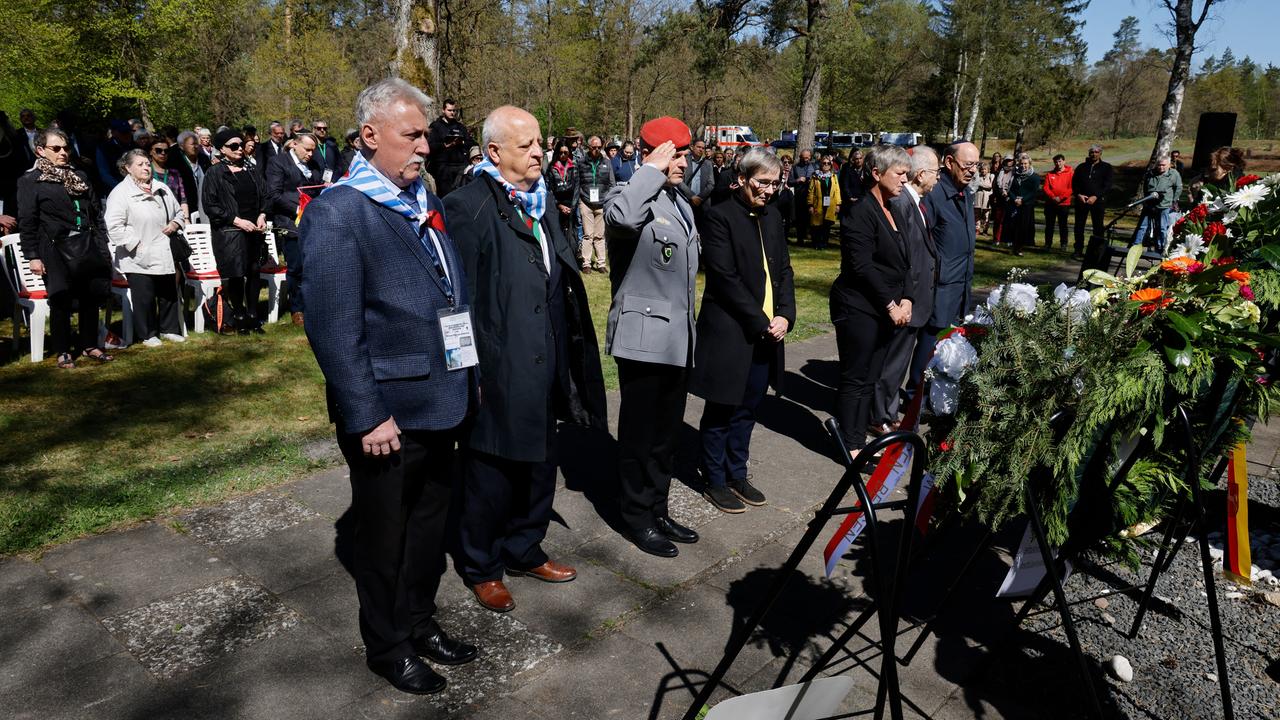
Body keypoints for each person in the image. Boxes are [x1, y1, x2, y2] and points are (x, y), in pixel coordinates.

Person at [300, 78, 479, 696]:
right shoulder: (339, 211)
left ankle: (420, 621)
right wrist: (366, 412)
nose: (426, 146)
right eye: (413, 135)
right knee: (384, 538)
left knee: (430, 529)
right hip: (390, 414)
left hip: (442, 400)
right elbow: (331, 326)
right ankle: (388, 644)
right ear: (370, 135)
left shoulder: (417, 198)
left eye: (427, 133)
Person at [444, 106, 607, 613]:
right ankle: (482, 564)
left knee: (540, 462)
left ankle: (524, 546)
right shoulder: (466, 206)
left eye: (541, 143)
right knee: (491, 471)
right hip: (498, 365)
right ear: (494, 152)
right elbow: (456, 299)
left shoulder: (539, 203)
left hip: (547, 357)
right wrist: (469, 374)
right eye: (526, 145)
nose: (540, 152)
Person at [604, 117, 701, 559]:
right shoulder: (626, 195)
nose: (684, 161)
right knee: (640, 435)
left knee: (665, 436)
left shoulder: (677, 201)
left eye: (684, 153)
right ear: (653, 152)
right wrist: (651, 169)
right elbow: (624, 219)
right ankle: (636, 516)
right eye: (675, 153)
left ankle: (658, 507)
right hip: (642, 338)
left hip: (677, 338)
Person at [690, 148, 795, 513]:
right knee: (722, 408)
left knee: (749, 408)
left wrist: (785, 315)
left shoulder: (773, 217)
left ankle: (737, 472)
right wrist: (761, 321)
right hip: (732, 331)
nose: (768, 190)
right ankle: (714, 477)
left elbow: (783, 271)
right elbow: (724, 278)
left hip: (768, 332)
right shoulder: (719, 216)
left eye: (774, 183)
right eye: (762, 182)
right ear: (742, 178)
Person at [829, 144, 912, 454]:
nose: (906, 179)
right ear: (877, 174)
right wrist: (892, 305)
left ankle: (858, 436)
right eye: (900, 173)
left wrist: (908, 299)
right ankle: (849, 445)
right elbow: (861, 266)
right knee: (856, 376)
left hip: (885, 309)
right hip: (858, 306)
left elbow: (904, 262)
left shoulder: (893, 209)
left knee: (872, 377)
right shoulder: (859, 210)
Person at [17, 129, 114, 368]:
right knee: (61, 297)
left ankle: (90, 344)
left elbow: (95, 214)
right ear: (40, 150)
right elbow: (27, 220)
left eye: (66, 148)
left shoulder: (79, 175)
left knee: (90, 295)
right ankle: (62, 349)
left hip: (87, 243)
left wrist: (102, 244)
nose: (63, 152)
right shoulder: (31, 180)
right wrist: (32, 256)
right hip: (54, 247)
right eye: (56, 148)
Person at [871, 145, 937, 436]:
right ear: (921, 174)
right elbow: (904, 256)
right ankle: (879, 416)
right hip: (903, 301)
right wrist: (905, 299)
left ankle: (884, 411)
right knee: (892, 362)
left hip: (914, 299)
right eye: (936, 172)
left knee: (899, 363)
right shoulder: (901, 204)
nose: (938, 178)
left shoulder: (916, 202)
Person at [907, 142, 978, 394]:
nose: (972, 171)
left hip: (961, 281)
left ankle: (935, 391)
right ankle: (915, 392)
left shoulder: (966, 193)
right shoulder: (935, 194)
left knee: (950, 340)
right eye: (967, 165)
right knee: (931, 340)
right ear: (949, 162)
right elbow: (920, 241)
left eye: (976, 165)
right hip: (939, 285)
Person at [104, 149, 186, 347]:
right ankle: (148, 334)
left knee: (168, 293)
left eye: (147, 164)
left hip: (164, 250)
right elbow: (113, 225)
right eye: (140, 164)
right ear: (127, 168)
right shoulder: (121, 193)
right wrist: (136, 245)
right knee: (144, 297)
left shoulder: (162, 187)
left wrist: (175, 224)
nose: (146, 168)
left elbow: (179, 213)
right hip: (138, 255)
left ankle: (169, 329)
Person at [201, 128, 268, 334]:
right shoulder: (215, 173)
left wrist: (262, 215)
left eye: (241, 145)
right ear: (222, 149)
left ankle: (253, 315)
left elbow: (264, 195)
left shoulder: (251, 169)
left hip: (253, 229)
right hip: (230, 232)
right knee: (237, 274)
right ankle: (238, 315)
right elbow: (210, 205)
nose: (240, 149)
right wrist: (237, 220)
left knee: (254, 272)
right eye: (234, 146)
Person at [267, 133, 323, 327]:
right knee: (296, 267)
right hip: (290, 223)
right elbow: (274, 194)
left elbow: (317, 188)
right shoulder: (278, 163)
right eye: (307, 150)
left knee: (314, 266)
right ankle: (297, 309)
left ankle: (314, 305)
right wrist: (299, 208)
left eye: (313, 150)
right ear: (295, 145)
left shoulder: (314, 164)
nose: (310, 154)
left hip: (313, 221)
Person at [576, 136, 615, 273]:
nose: (596, 150)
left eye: (599, 147)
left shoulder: (607, 163)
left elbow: (612, 183)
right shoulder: (581, 162)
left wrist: (608, 199)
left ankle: (601, 263)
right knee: (588, 234)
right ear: (589, 147)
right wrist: (580, 198)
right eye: (594, 147)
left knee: (600, 235)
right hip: (586, 201)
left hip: (602, 203)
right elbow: (578, 182)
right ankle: (586, 263)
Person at [1131, 155, 1182, 253]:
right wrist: (1146, 200)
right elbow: (1145, 187)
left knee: (1162, 227)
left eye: (1163, 165)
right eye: (1159, 165)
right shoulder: (1150, 173)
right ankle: (1135, 246)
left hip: (1164, 205)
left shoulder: (1174, 174)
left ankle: (1161, 247)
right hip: (1149, 204)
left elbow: (1178, 188)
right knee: (1142, 226)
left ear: (1168, 165)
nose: (1161, 167)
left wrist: (1173, 200)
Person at [1071, 144, 1113, 259]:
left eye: (1096, 152)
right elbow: (1074, 183)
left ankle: (1096, 252)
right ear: (1089, 153)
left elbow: (1107, 185)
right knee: (1079, 226)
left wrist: (1095, 196)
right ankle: (1078, 250)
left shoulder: (1106, 167)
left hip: (1098, 202)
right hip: (1082, 201)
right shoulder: (1081, 167)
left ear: (1100, 153)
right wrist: (1078, 194)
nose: (1094, 154)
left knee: (1098, 227)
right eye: (1092, 152)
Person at [426, 98, 475, 196]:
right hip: (443, 169)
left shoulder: (460, 127)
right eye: (449, 110)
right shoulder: (435, 127)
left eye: (454, 110)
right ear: (443, 110)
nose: (452, 113)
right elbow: (429, 146)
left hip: (461, 167)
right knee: (445, 198)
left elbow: (472, 143)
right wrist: (445, 145)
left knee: (461, 197)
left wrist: (462, 142)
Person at [139, 135, 188, 220]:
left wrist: (186, 219)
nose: (163, 153)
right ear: (150, 151)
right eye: (158, 150)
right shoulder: (144, 173)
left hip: (175, 218)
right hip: (152, 218)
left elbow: (183, 199)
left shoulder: (175, 173)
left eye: (166, 151)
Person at [1006, 153, 1038, 256]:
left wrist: (1022, 200)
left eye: (1025, 164)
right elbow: (1010, 189)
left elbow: (1033, 192)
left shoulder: (1034, 177)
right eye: (1021, 163)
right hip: (1015, 204)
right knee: (1013, 226)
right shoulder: (1015, 175)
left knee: (1023, 227)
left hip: (1026, 205)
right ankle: (1014, 246)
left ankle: (1019, 248)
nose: (1023, 166)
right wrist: (1015, 199)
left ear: (1029, 164)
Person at [546, 140, 579, 242]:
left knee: (571, 235)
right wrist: (559, 206)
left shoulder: (574, 167)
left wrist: (572, 207)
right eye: (560, 152)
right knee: (558, 235)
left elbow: (577, 188)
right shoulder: (552, 168)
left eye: (566, 152)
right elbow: (549, 190)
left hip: (571, 205)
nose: (563, 155)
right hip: (557, 205)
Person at [806, 155, 841, 249]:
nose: (826, 165)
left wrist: (838, 204)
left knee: (827, 225)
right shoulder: (815, 176)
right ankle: (816, 243)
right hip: (818, 204)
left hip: (830, 204)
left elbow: (837, 190)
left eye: (828, 163)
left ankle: (824, 244)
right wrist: (810, 205)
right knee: (817, 225)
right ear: (820, 164)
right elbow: (811, 191)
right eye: (824, 163)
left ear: (831, 165)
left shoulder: (834, 177)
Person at [681, 138, 715, 229]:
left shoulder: (708, 164)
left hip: (703, 203)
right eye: (698, 147)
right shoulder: (684, 161)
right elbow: (680, 181)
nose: (701, 149)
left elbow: (711, 184)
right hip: (686, 200)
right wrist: (692, 196)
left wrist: (700, 198)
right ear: (692, 147)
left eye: (703, 148)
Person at [1042, 153, 1073, 251]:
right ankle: (1048, 244)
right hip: (1051, 203)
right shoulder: (1050, 174)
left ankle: (1063, 244)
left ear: (1064, 161)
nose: (1058, 163)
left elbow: (1071, 188)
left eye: (1060, 161)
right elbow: (1046, 188)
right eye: (1056, 162)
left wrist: (1061, 198)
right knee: (1049, 225)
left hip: (1064, 203)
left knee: (1063, 225)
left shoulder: (1070, 173)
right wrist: (1053, 197)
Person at [170, 131, 203, 220]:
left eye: (197, 144)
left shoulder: (204, 159)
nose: (196, 147)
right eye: (192, 144)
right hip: (188, 205)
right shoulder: (176, 163)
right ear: (182, 146)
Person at [94, 120, 134, 190]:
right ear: (113, 133)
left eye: (128, 132)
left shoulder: (135, 146)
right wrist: (122, 189)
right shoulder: (104, 149)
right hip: (117, 189)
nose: (127, 135)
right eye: (123, 132)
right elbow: (104, 174)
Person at [789, 149, 815, 244]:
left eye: (807, 157)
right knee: (800, 219)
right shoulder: (795, 168)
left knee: (812, 218)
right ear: (800, 157)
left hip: (812, 196)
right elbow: (789, 182)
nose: (806, 159)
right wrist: (798, 180)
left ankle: (813, 239)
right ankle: (800, 239)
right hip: (800, 197)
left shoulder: (814, 166)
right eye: (804, 158)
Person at [991, 157, 1014, 245]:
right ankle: (996, 239)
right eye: (1007, 161)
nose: (1009, 163)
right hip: (1000, 199)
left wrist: (1008, 194)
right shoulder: (999, 172)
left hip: (1010, 198)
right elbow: (995, 186)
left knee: (1009, 220)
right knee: (998, 220)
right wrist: (1001, 192)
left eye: (1010, 161)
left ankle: (1008, 239)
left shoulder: (1014, 173)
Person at [776, 155, 795, 239]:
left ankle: (786, 237)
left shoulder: (794, 173)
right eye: (785, 162)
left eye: (789, 162)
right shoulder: (778, 173)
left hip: (791, 198)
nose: (787, 164)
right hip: (780, 198)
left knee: (789, 219)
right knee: (780, 218)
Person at [972, 161, 993, 234]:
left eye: (985, 169)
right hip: (978, 197)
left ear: (988, 170)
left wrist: (980, 184)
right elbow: (974, 184)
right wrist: (981, 185)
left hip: (987, 199)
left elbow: (990, 186)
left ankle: (985, 230)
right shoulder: (978, 176)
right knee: (977, 214)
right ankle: (976, 228)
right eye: (982, 169)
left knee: (986, 215)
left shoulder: (991, 176)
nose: (983, 171)